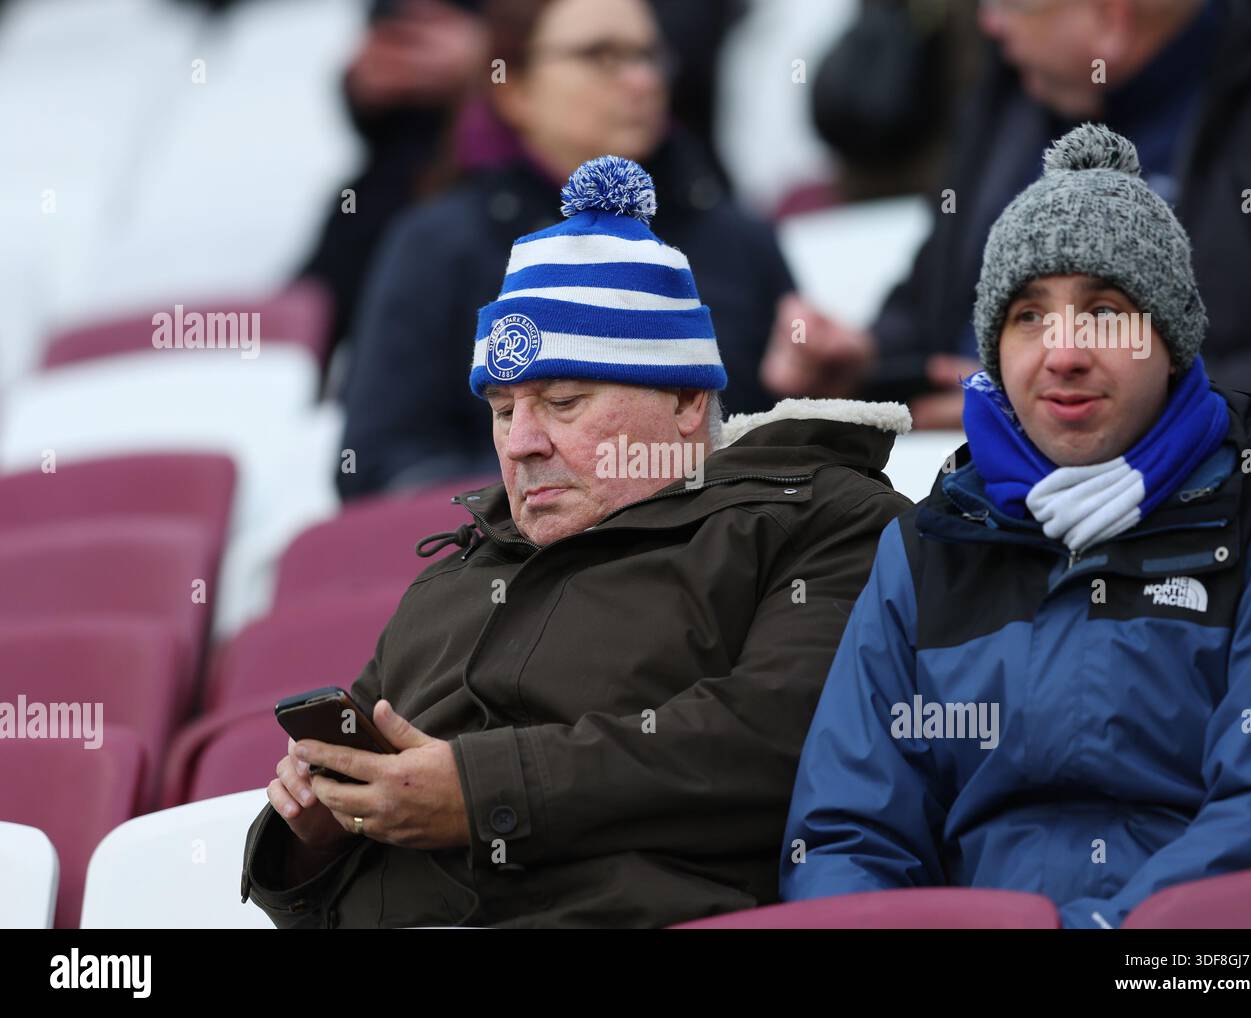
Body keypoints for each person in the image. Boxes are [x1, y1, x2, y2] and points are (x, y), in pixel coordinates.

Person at [242, 155, 912, 928]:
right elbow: (318, 877)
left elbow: (772, 743)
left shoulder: (823, 519)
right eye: (501, 410)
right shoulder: (459, 567)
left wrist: (482, 795)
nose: (521, 443)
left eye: (563, 401)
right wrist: (315, 831)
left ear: (688, 399)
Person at [780, 124, 1251, 929]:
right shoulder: (928, 545)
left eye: (1105, 311)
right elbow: (847, 833)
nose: (1063, 353)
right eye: (1028, 315)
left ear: (1170, 339)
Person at [762, 0, 1251, 427]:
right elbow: (930, 302)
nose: (988, 23)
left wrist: (1081, 399)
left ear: (1111, 19)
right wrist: (866, 361)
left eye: (1012, 5)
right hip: (953, 483)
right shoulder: (1010, 96)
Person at [335, 0, 791, 497]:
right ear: (515, 90)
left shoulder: (737, 236)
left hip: (731, 550)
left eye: (649, 56)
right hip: (526, 563)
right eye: (602, 55)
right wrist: (564, 487)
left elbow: (796, 447)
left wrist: (829, 384)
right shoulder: (436, 246)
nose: (642, 81)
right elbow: (378, 463)